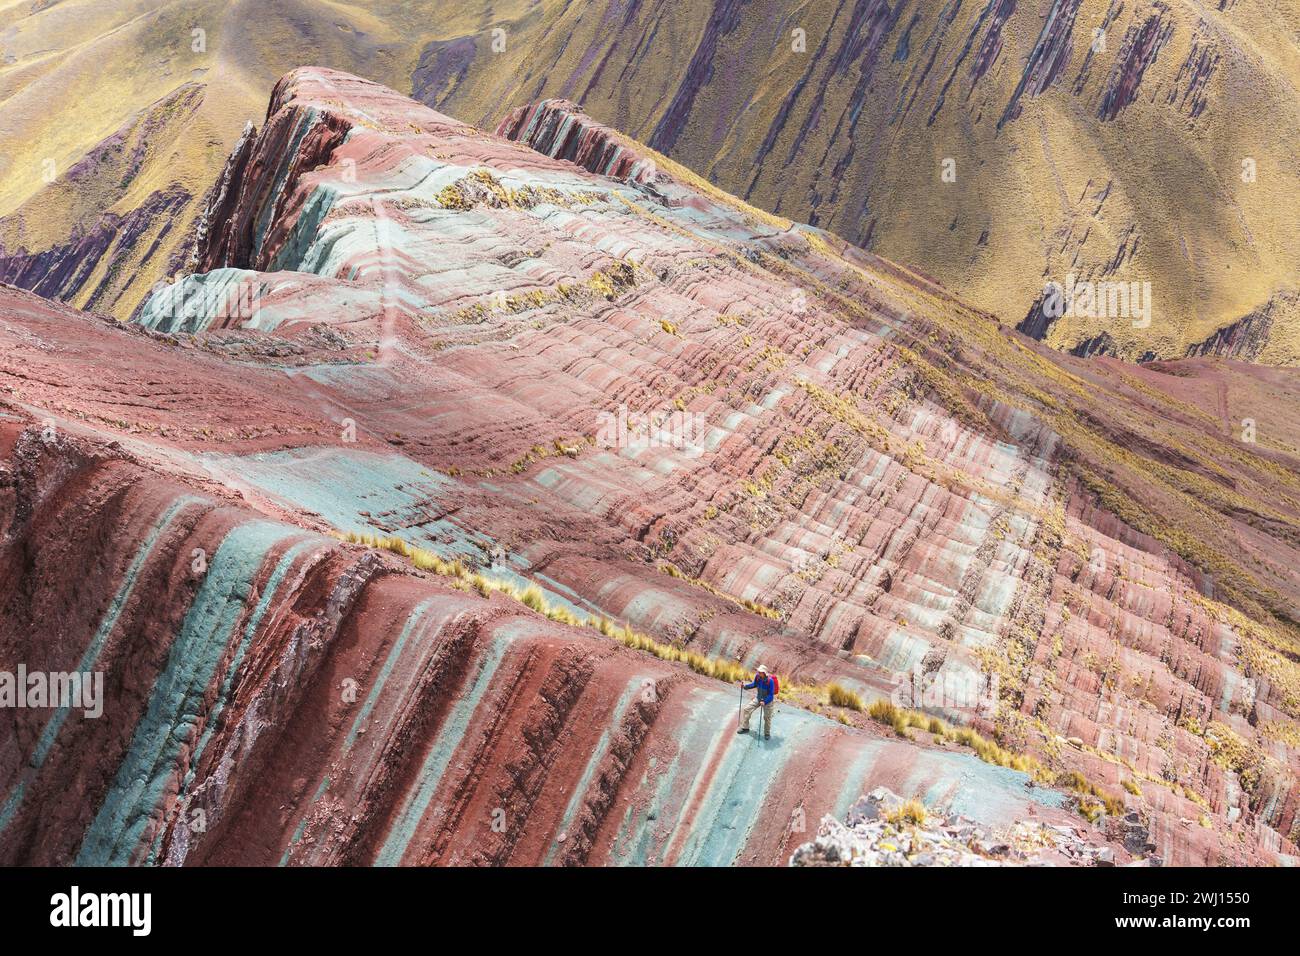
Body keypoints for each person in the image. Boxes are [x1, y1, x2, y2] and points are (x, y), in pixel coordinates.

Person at [737, 665, 776, 740]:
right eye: (758, 671)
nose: (758, 672)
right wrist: (745, 686)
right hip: (758, 698)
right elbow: (754, 684)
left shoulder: (770, 681)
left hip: (767, 701)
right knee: (747, 709)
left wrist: (765, 701)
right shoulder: (758, 677)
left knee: (767, 717)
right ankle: (745, 728)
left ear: (764, 673)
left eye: (760, 672)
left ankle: (767, 733)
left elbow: (771, 695)